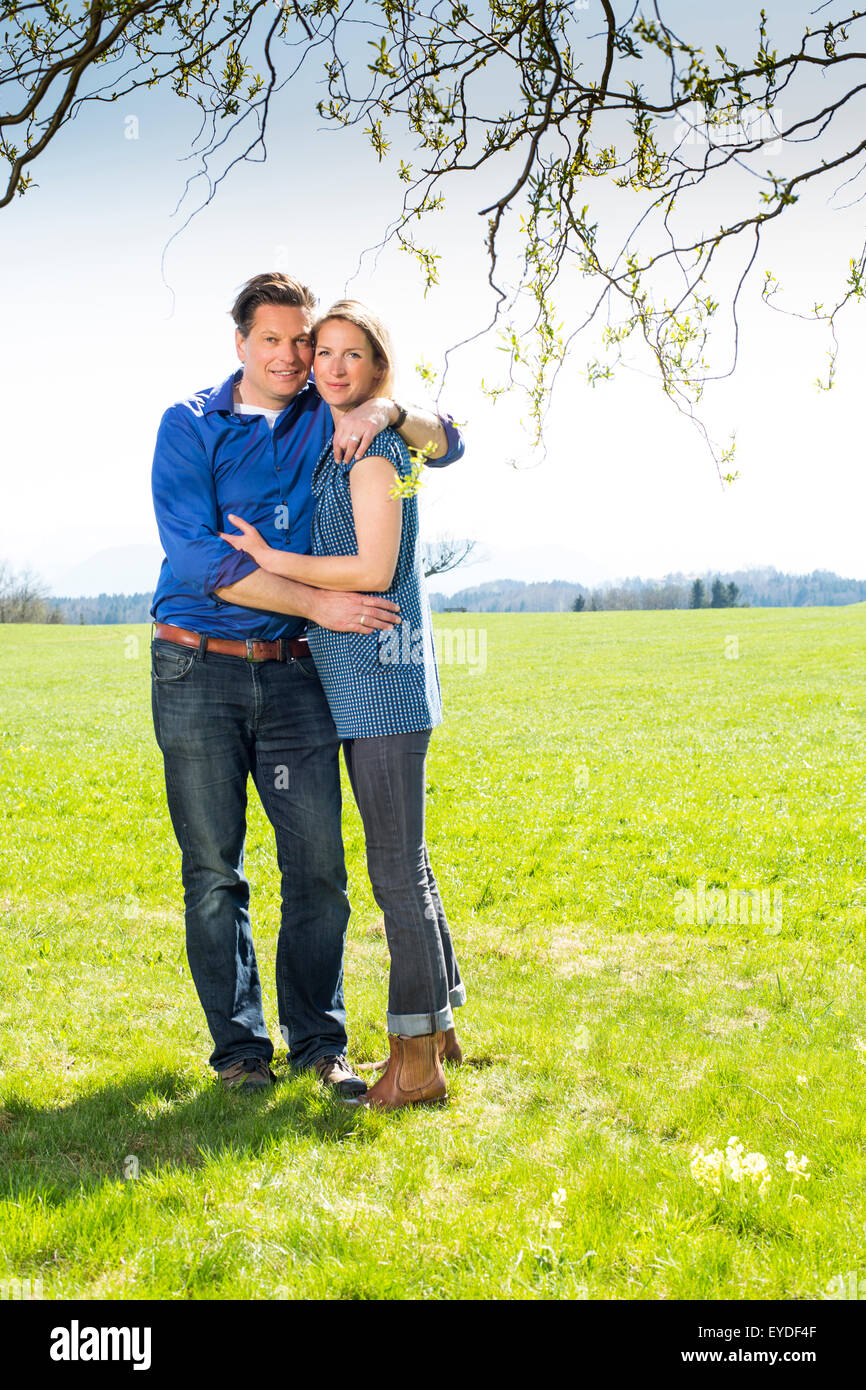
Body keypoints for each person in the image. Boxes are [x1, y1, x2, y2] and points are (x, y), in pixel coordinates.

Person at [150, 273, 464, 1096]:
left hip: (297, 676)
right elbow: (201, 561)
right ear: (240, 343)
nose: (295, 358)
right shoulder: (189, 425)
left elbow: (451, 440)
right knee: (214, 872)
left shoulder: (327, 416)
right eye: (278, 342)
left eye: (308, 343)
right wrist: (319, 599)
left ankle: (320, 1044)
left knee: (320, 865)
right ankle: (240, 1054)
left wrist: (389, 411)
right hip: (194, 668)